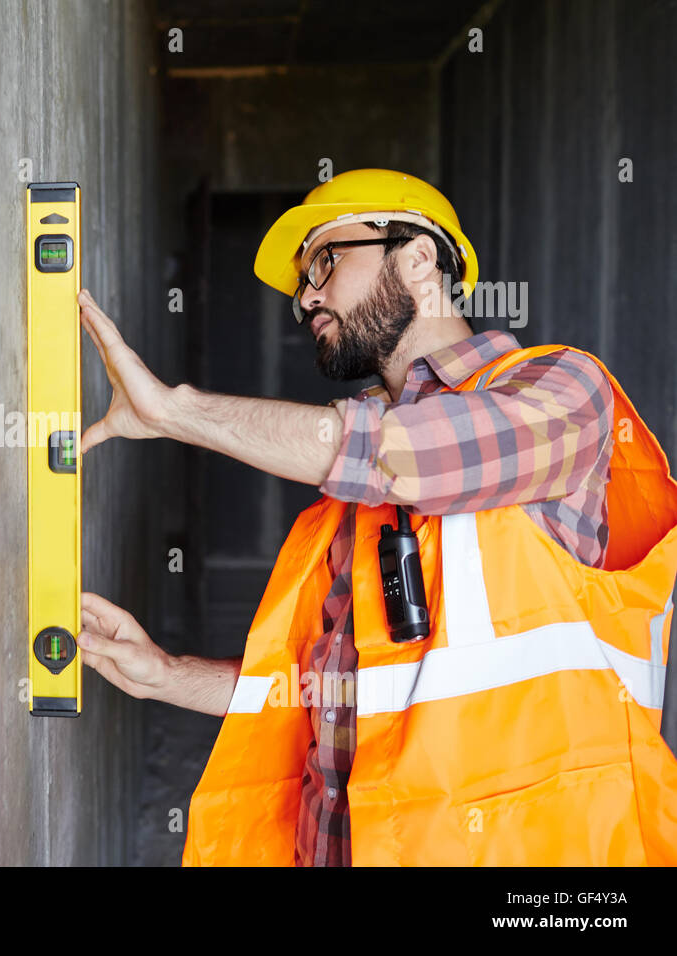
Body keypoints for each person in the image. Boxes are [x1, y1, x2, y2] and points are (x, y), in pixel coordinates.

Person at [75, 168, 677, 866]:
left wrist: (176, 411)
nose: (306, 298)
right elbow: (334, 690)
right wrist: (168, 673)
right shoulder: (353, 495)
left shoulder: (565, 392)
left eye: (326, 261)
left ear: (418, 259)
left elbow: (410, 454)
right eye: (305, 278)